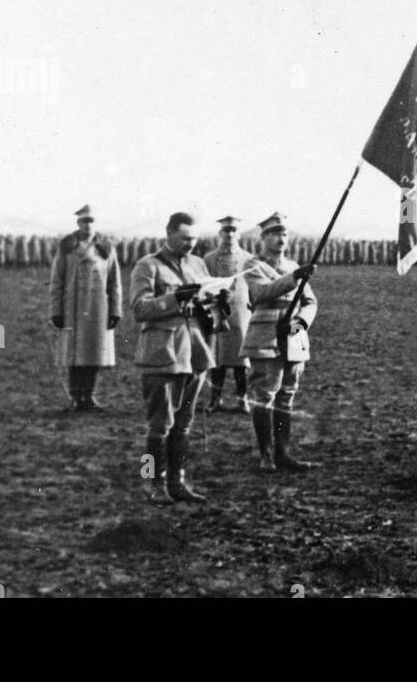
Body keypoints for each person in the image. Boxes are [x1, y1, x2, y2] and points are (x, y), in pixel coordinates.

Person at [131, 212, 228, 504]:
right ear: (169, 233)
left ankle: (177, 481)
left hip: (195, 354)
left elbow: (206, 304)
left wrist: (215, 304)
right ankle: (151, 482)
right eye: (185, 238)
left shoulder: (198, 264)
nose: (190, 243)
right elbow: (139, 309)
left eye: (194, 238)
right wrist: (177, 298)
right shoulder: (148, 266)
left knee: (184, 425)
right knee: (159, 426)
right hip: (163, 354)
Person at [240, 212, 319, 472]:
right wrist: (294, 277)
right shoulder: (252, 265)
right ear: (263, 238)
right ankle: (266, 455)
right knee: (264, 395)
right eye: (274, 234)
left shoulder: (293, 265)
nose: (280, 238)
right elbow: (262, 292)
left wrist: (300, 324)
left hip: (294, 337)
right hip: (266, 335)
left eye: (284, 234)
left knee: (287, 396)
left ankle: (283, 453)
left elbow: (310, 302)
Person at [49, 205, 121, 412]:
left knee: (93, 354)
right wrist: (56, 311)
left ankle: (88, 396)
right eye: (84, 221)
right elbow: (57, 280)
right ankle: (75, 397)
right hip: (72, 309)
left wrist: (115, 310)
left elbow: (114, 282)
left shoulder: (106, 248)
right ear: (78, 223)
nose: (88, 225)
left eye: (91, 221)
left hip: (98, 309)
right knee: (74, 355)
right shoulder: (66, 247)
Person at [203, 215, 252, 414]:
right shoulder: (210, 258)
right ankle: (215, 400)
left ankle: (243, 399)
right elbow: (205, 285)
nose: (230, 234)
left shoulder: (248, 258)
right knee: (218, 358)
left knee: (241, 360)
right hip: (218, 311)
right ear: (220, 233)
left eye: (233, 230)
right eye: (226, 230)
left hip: (241, 312)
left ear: (239, 233)